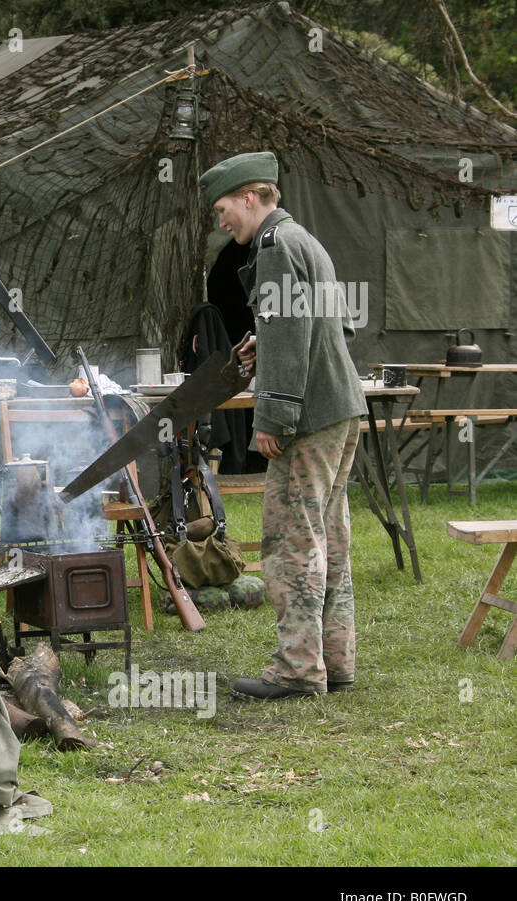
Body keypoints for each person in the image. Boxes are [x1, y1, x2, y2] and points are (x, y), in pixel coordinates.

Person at [197, 151, 367, 701]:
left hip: (307, 417)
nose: (221, 221)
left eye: (223, 208)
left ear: (249, 197)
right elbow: (323, 325)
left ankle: (297, 669)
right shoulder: (304, 240)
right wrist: (260, 343)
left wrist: (272, 418)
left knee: (292, 543)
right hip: (341, 409)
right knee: (330, 540)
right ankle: (334, 662)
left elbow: (294, 339)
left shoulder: (273, 247)